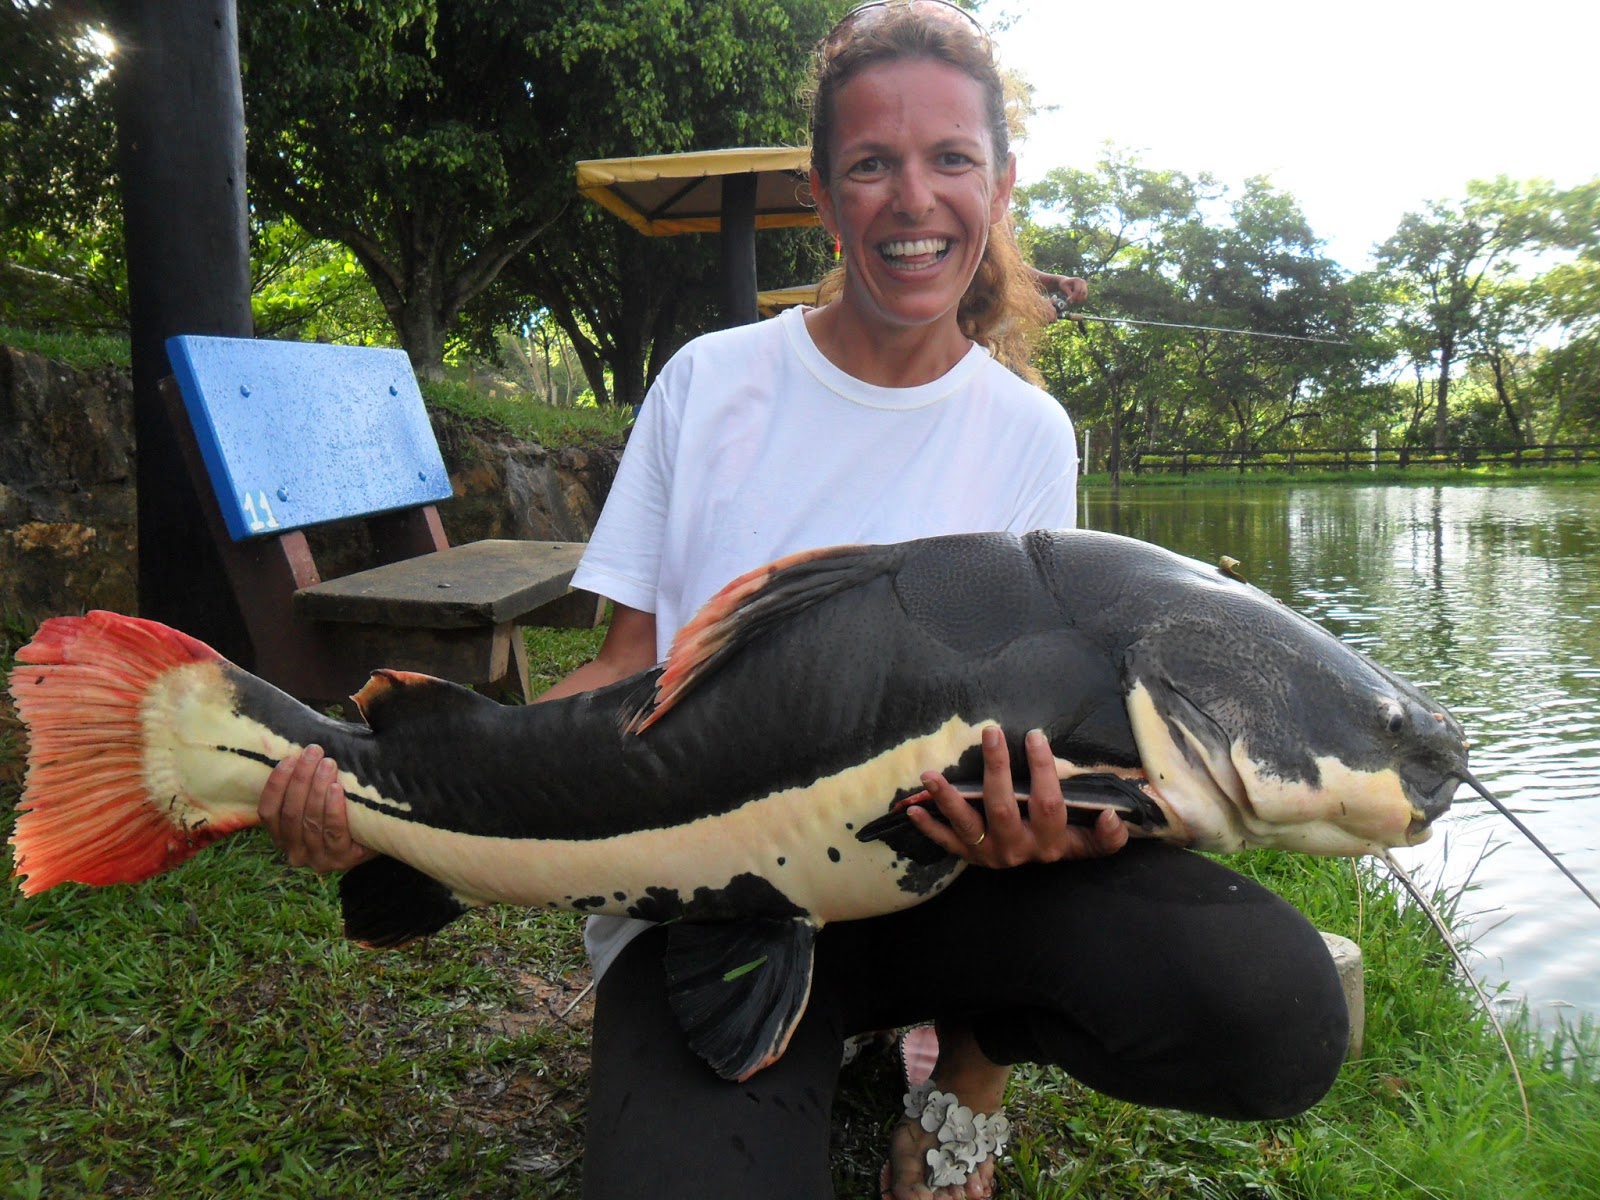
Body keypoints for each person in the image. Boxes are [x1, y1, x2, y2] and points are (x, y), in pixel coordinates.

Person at [258, 3, 1349, 1198]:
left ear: (999, 185)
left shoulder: (1029, 434)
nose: (913, 198)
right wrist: (389, 779)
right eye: (871, 164)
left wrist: (1046, 822)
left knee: (1277, 1011)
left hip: (938, 892)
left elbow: (1048, 740)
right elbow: (628, 664)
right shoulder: (709, 384)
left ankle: (964, 1073)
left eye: (950, 160)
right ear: (823, 196)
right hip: (699, 911)